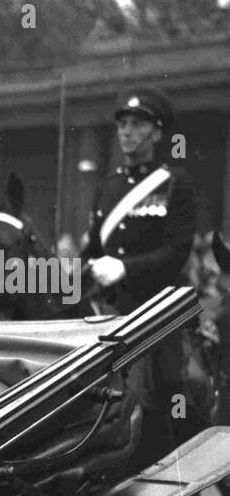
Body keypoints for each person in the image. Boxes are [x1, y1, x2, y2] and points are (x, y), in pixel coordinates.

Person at [82, 87, 198, 467]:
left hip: (160, 310)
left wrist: (125, 268)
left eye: (138, 124)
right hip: (112, 310)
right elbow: (94, 250)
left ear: (157, 133)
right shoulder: (106, 187)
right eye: (123, 125)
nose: (127, 132)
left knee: (172, 385)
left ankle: (187, 469)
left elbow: (176, 252)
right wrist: (79, 269)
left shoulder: (175, 184)